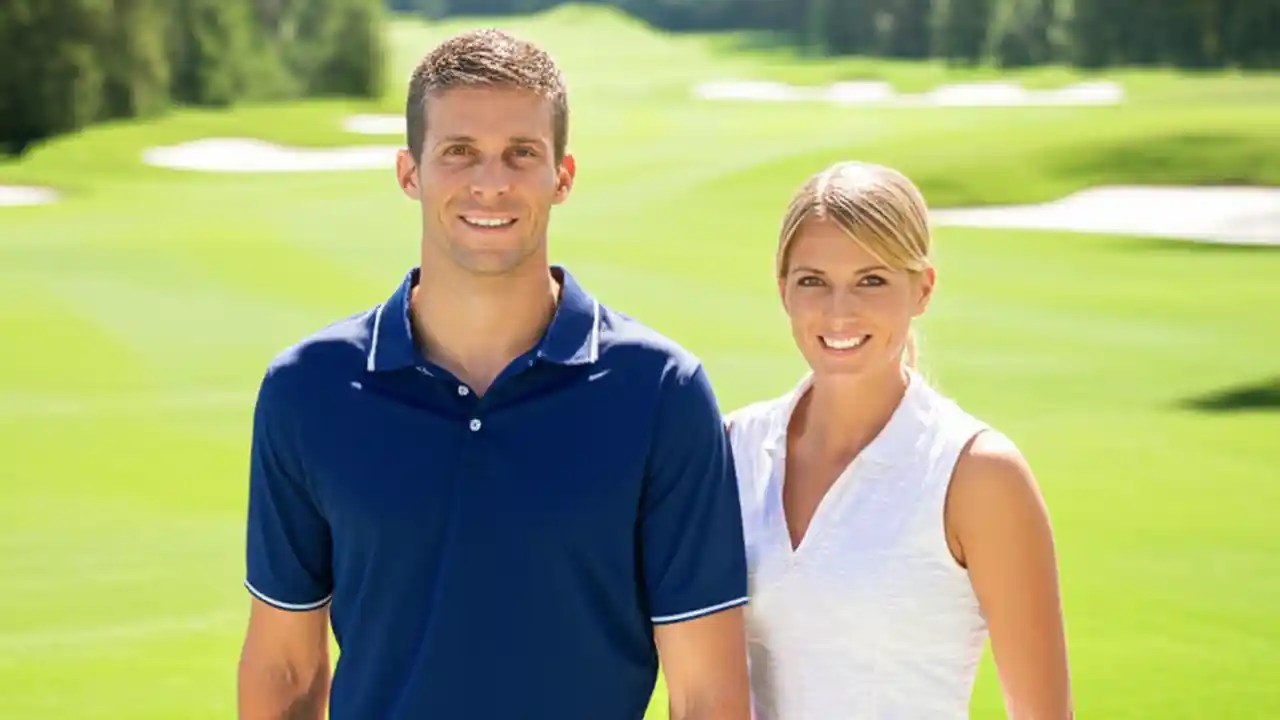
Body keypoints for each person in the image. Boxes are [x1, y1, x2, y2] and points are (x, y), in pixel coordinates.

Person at [236, 29, 751, 720]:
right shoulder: (306, 390)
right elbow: (286, 670)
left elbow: (705, 694)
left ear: (561, 176)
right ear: (408, 172)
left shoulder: (661, 392)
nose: (491, 182)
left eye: (521, 153)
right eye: (459, 152)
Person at [725, 161, 1072, 719]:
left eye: (872, 280)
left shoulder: (978, 474)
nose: (840, 311)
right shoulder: (732, 448)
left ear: (923, 289)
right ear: (783, 289)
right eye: (813, 281)